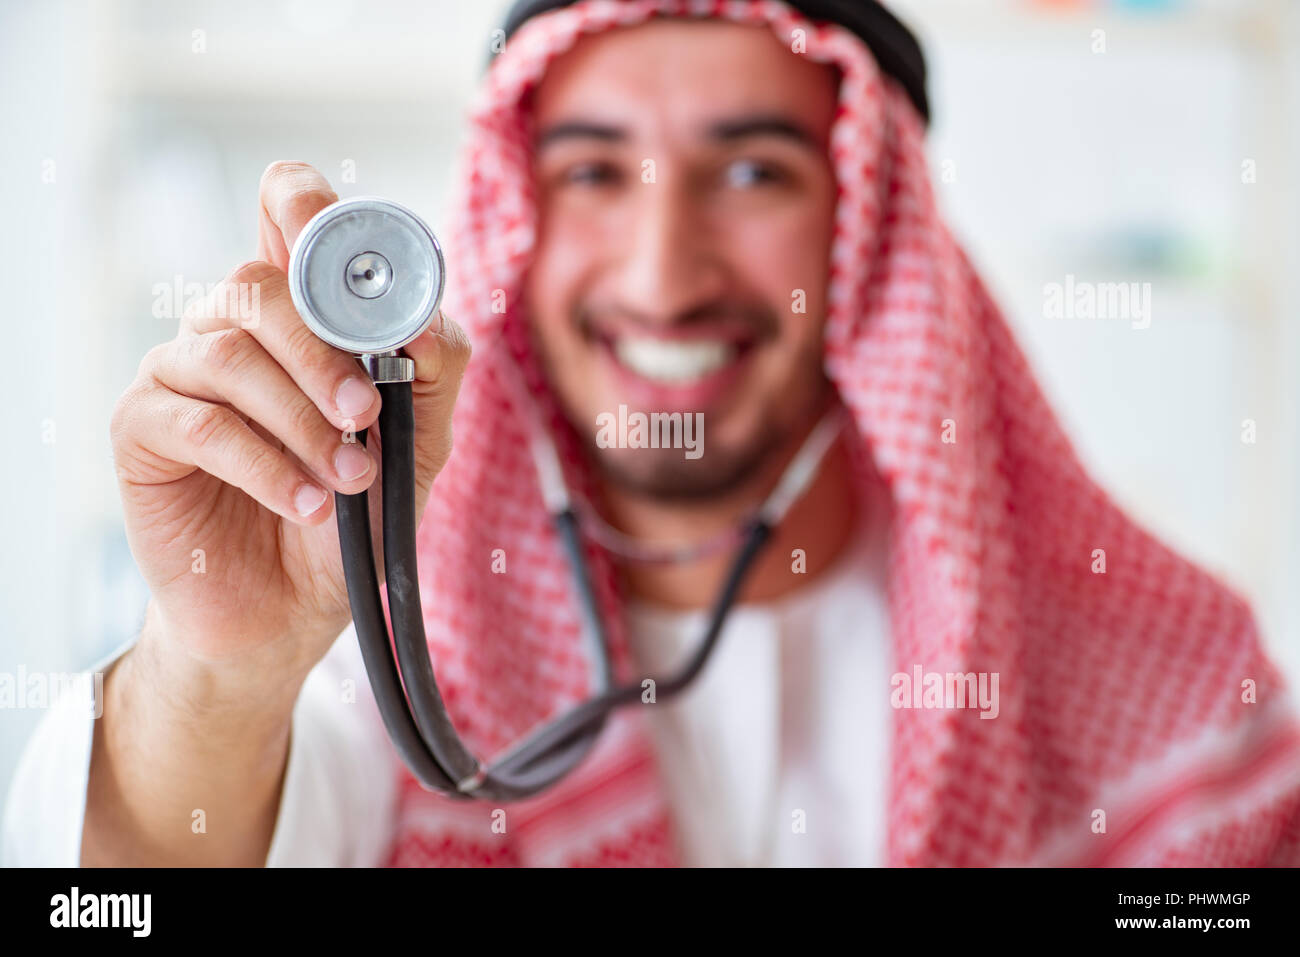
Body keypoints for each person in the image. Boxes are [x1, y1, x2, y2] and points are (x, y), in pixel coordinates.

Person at [6, 0, 1300, 868]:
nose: (665, 271)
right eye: (591, 171)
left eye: (752, 172)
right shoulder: (372, 663)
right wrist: (218, 676)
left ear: (874, 233)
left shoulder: (1190, 701)